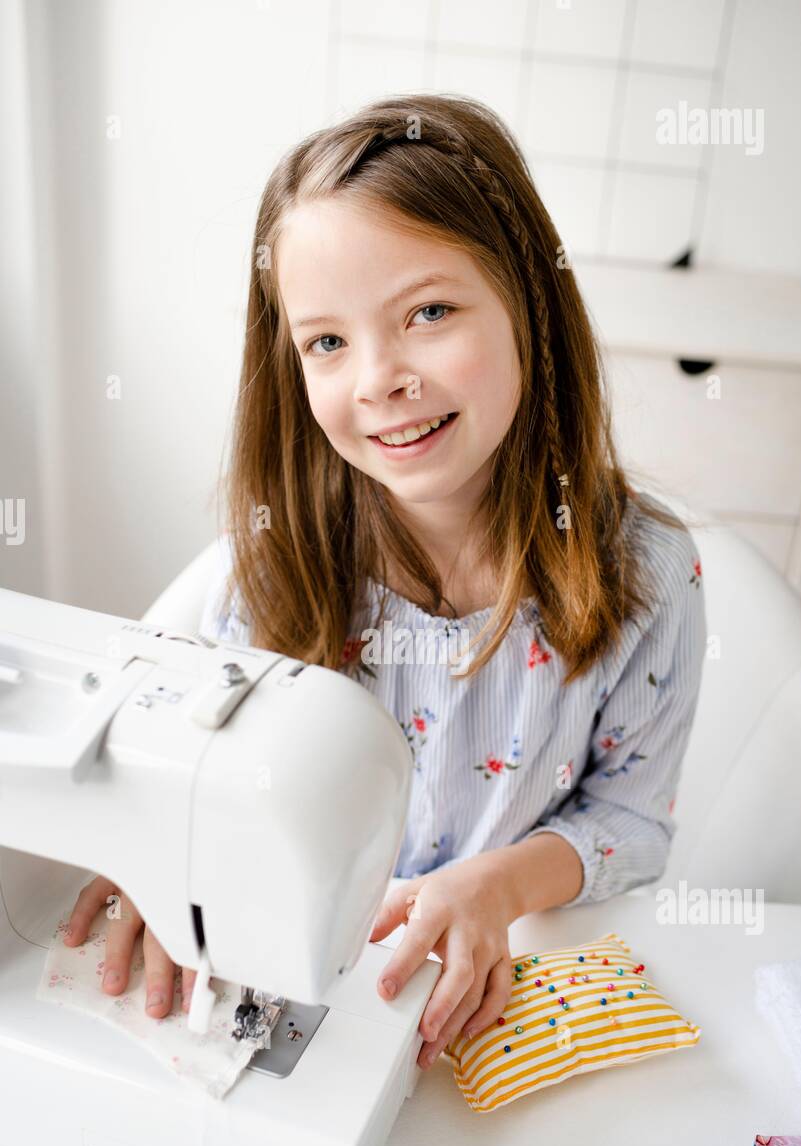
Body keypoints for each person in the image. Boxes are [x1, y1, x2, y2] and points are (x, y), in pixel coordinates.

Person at [65, 94, 706, 1074]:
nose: (377, 378)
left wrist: (494, 886)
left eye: (430, 313)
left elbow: (631, 821)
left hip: (519, 981)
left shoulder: (648, 575)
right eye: (327, 341)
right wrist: (164, 855)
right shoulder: (276, 565)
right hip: (331, 989)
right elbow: (217, 781)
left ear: (529, 300)